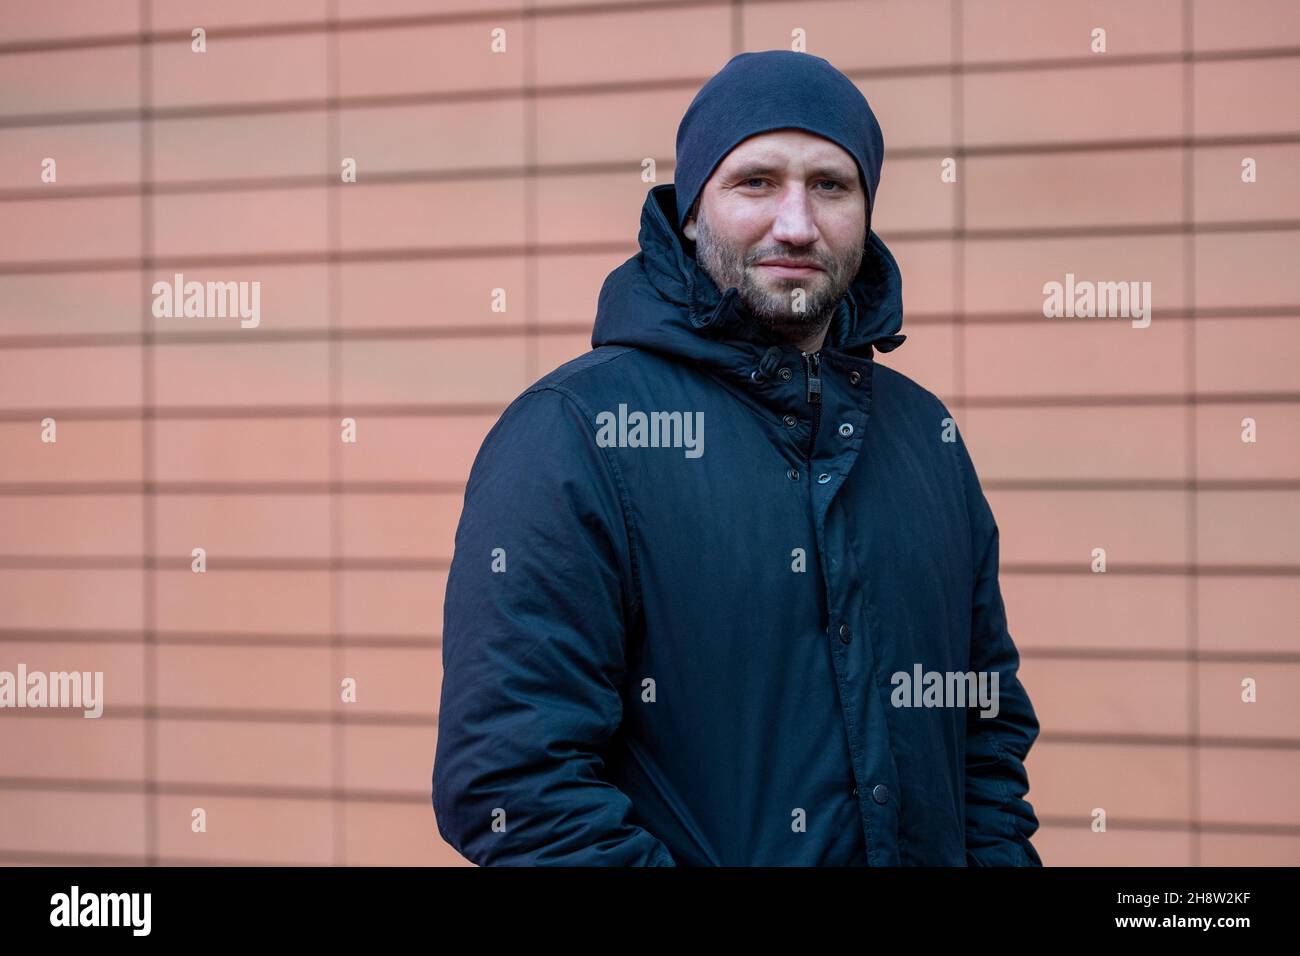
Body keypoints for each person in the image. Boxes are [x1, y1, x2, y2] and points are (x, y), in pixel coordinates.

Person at [431, 49, 1043, 866]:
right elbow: (515, 786)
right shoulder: (573, 435)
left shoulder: (923, 437)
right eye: (754, 182)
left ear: (866, 212)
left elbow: (985, 738)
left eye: (830, 185)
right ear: (689, 211)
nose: (795, 222)